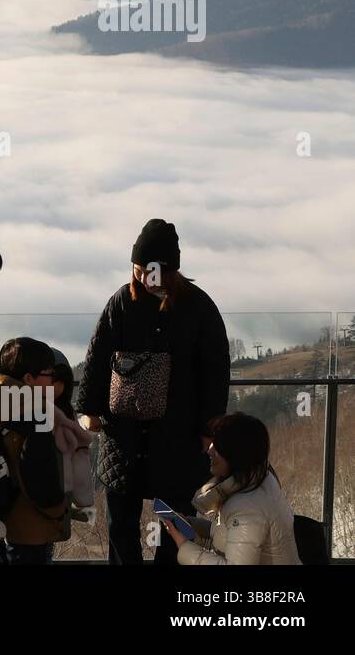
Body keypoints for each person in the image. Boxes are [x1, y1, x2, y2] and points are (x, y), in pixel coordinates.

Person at [75, 219, 230, 565]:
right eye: (141, 268)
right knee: (121, 523)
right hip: (124, 434)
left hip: (178, 433)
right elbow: (98, 356)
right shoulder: (121, 302)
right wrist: (91, 409)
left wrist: (208, 428)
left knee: (174, 524)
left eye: (151, 269)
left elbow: (215, 371)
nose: (145, 276)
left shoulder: (198, 307)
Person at [0, 337, 67, 564]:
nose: (53, 381)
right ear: (29, 379)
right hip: (31, 525)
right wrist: (58, 512)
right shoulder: (36, 414)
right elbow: (39, 472)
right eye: (49, 375)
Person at [166, 413, 301, 565]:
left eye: (217, 445)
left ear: (234, 452)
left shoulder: (247, 507)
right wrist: (194, 527)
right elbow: (232, 540)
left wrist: (184, 547)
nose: (209, 450)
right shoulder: (257, 482)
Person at [50, 349, 96, 522]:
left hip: (62, 495)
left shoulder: (67, 414)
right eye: (52, 381)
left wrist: (84, 501)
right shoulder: (28, 412)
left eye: (61, 383)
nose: (56, 388)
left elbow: (80, 460)